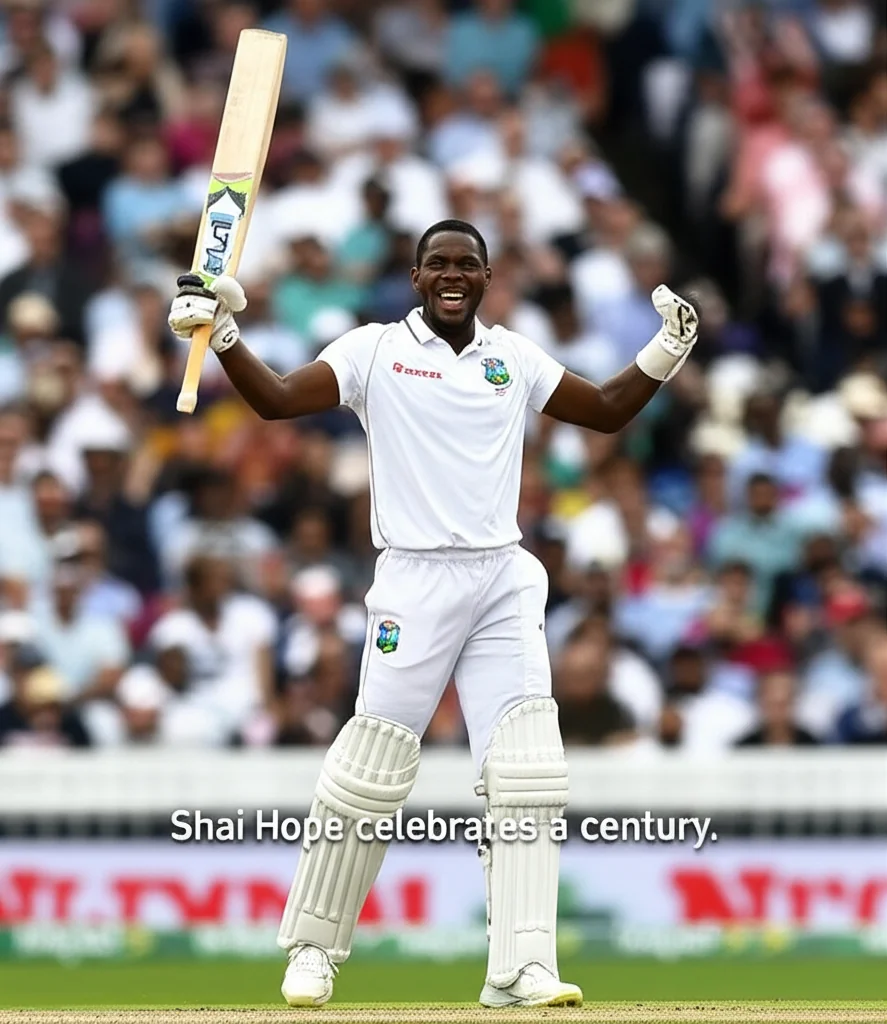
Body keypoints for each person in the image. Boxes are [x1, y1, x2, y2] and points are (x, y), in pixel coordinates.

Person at [167, 218, 699, 1009]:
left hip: (502, 575)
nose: (452, 275)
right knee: (369, 771)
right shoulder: (373, 349)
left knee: (526, 775)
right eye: (437, 264)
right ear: (415, 277)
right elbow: (277, 401)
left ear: (487, 276)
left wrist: (669, 346)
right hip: (413, 580)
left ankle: (520, 966)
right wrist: (225, 333)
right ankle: (313, 949)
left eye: (467, 264)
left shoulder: (510, 355)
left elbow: (606, 410)